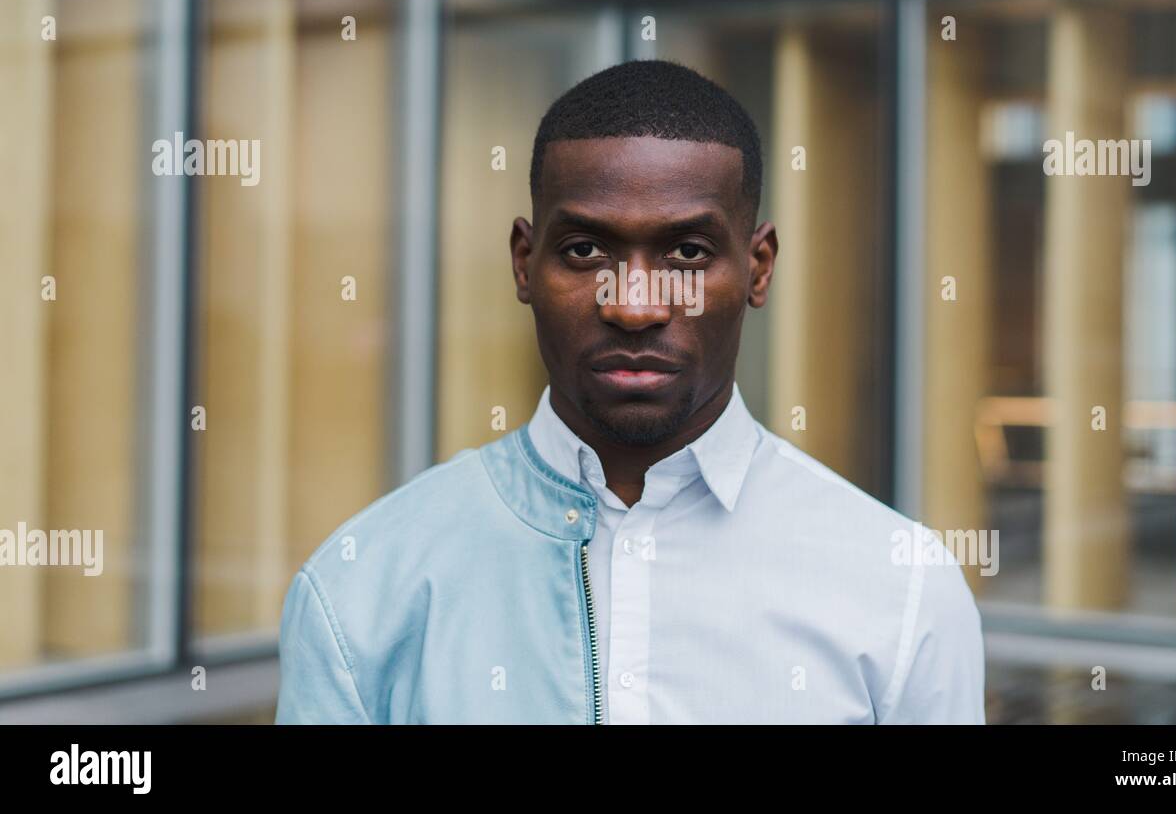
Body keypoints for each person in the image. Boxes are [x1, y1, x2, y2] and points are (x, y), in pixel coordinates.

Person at [275, 58, 985, 724]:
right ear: (525, 264)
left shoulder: (902, 588)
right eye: (585, 251)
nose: (635, 305)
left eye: (688, 253)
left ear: (758, 267)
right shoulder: (363, 586)